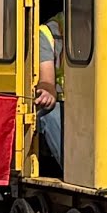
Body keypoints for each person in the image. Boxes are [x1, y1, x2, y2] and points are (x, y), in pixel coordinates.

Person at [35, 10, 65, 172]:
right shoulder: (47, 34)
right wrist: (47, 92)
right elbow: (47, 80)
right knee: (49, 114)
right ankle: (73, 171)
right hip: (63, 105)